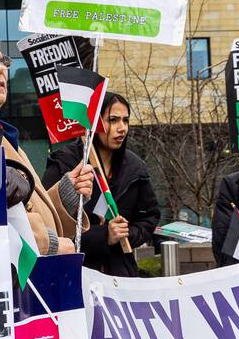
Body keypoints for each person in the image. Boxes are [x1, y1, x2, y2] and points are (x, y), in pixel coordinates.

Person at [0, 26, 92, 252]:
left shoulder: (6, 137)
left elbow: (30, 210)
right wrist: (48, 245)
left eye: (0, 59)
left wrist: (66, 193)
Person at [43, 93, 161, 277]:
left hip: (121, 276)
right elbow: (48, 222)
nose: (121, 128)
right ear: (95, 123)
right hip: (76, 273)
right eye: (112, 120)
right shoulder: (64, 163)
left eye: (125, 120)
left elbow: (150, 216)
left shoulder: (136, 168)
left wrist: (126, 234)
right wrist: (104, 235)